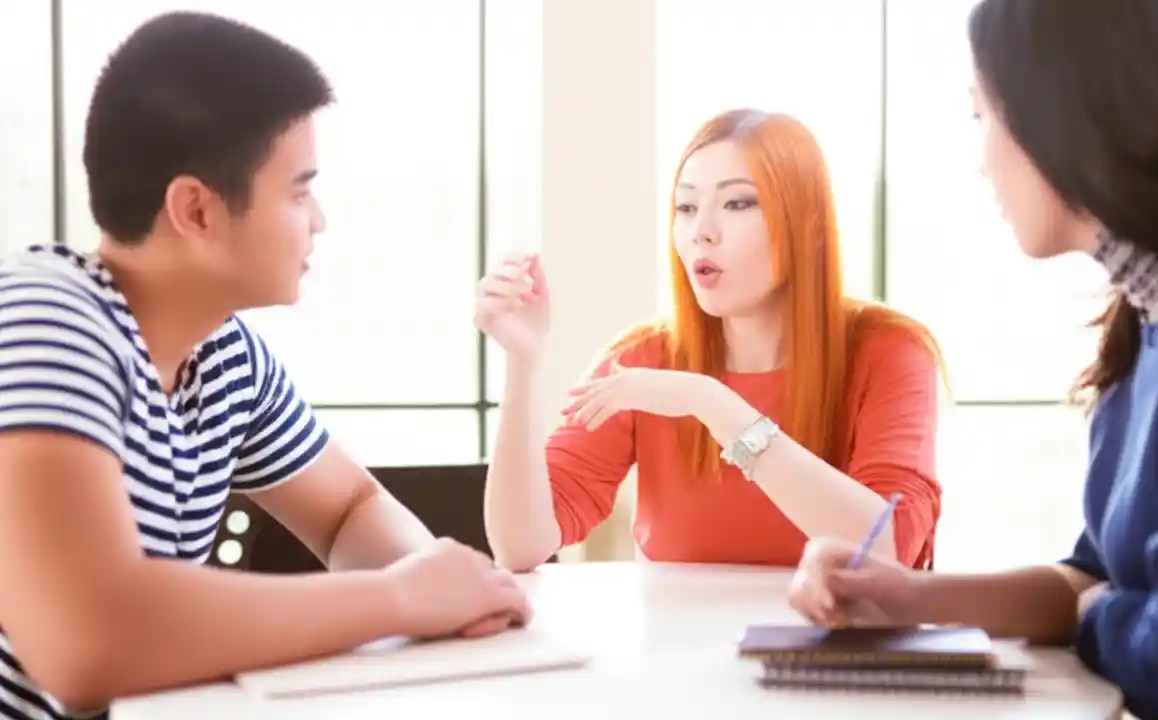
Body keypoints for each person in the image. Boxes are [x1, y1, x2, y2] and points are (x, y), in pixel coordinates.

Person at [0, 12, 530, 719]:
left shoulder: (224, 354)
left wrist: (447, 595)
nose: (319, 220)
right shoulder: (43, 317)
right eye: (299, 192)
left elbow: (348, 510)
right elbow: (83, 643)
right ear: (196, 210)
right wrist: (399, 598)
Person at [788, 1, 1158, 718]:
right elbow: (1090, 578)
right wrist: (908, 597)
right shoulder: (1148, 324)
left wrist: (1096, 611)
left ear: (1062, 115)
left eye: (982, 115)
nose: (981, 160)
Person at [477, 108, 943, 573]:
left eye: (737, 203)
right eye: (686, 208)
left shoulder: (890, 352)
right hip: (676, 626)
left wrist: (712, 403)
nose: (701, 232)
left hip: (830, 626)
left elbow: (887, 548)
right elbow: (520, 546)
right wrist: (522, 362)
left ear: (809, 225)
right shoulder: (643, 359)